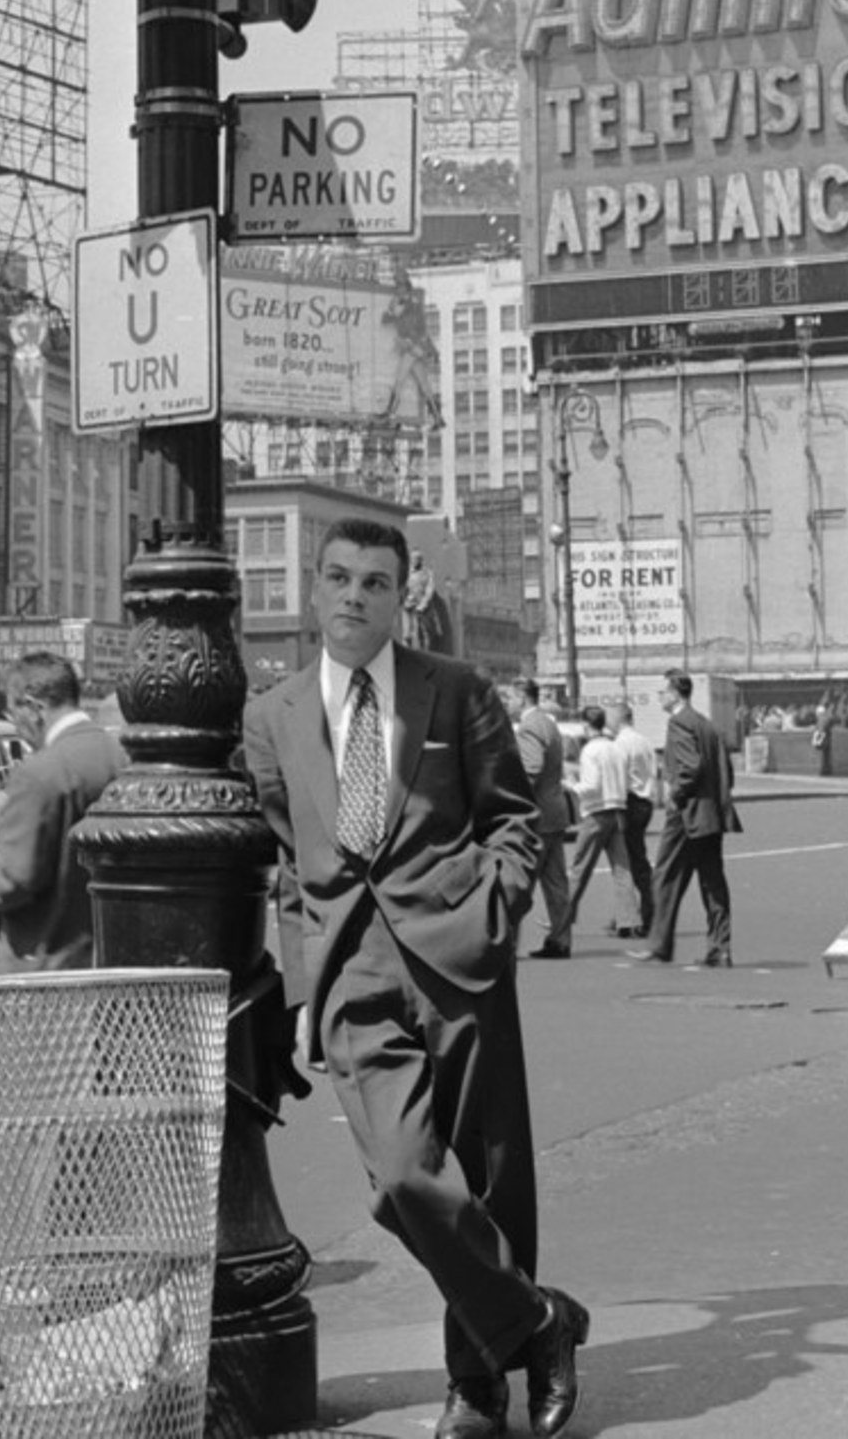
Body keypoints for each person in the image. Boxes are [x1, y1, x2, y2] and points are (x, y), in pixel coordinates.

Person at [241, 519, 588, 1439]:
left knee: (487, 1172)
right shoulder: (269, 716)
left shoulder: (457, 691)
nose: (355, 595)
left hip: (458, 956)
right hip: (350, 973)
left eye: (376, 582)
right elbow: (290, 855)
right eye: (339, 577)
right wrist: (307, 988)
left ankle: (476, 1387)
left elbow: (514, 817)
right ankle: (541, 1321)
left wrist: (497, 909)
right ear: (314, 591)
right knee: (403, 1178)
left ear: (403, 597)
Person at [0, 650, 122, 970]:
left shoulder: (38, 773)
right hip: (105, 958)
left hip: (43, 967)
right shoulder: (119, 758)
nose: (15, 725)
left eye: (12, 713)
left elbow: (13, 883)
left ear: (33, 708)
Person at [629, 670, 740, 968]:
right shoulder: (705, 724)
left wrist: (676, 796)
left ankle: (659, 944)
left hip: (687, 813)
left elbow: (691, 766)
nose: (660, 697)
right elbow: (724, 769)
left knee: (665, 876)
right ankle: (721, 947)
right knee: (712, 882)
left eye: (662, 692)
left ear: (675, 694)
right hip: (710, 814)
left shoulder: (679, 722)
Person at [506, 679, 576, 962]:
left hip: (536, 817)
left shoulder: (530, 726)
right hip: (554, 813)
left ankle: (507, 945)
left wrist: (512, 798)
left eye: (510, 697)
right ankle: (560, 940)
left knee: (519, 882)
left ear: (523, 697)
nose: (508, 703)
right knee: (556, 883)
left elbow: (531, 769)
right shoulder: (548, 723)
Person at [553, 706, 635, 947]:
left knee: (579, 868)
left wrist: (570, 785)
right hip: (617, 809)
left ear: (588, 726)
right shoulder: (616, 747)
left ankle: (562, 918)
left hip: (596, 813)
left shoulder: (590, 751)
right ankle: (629, 919)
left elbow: (590, 785)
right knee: (622, 870)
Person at [608, 700, 658, 939]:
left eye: (610, 717)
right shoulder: (644, 741)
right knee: (634, 857)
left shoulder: (620, 744)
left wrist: (615, 806)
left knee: (631, 861)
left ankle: (649, 911)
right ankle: (628, 912)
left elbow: (618, 777)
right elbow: (654, 772)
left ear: (619, 718)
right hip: (645, 801)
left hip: (629, 802)